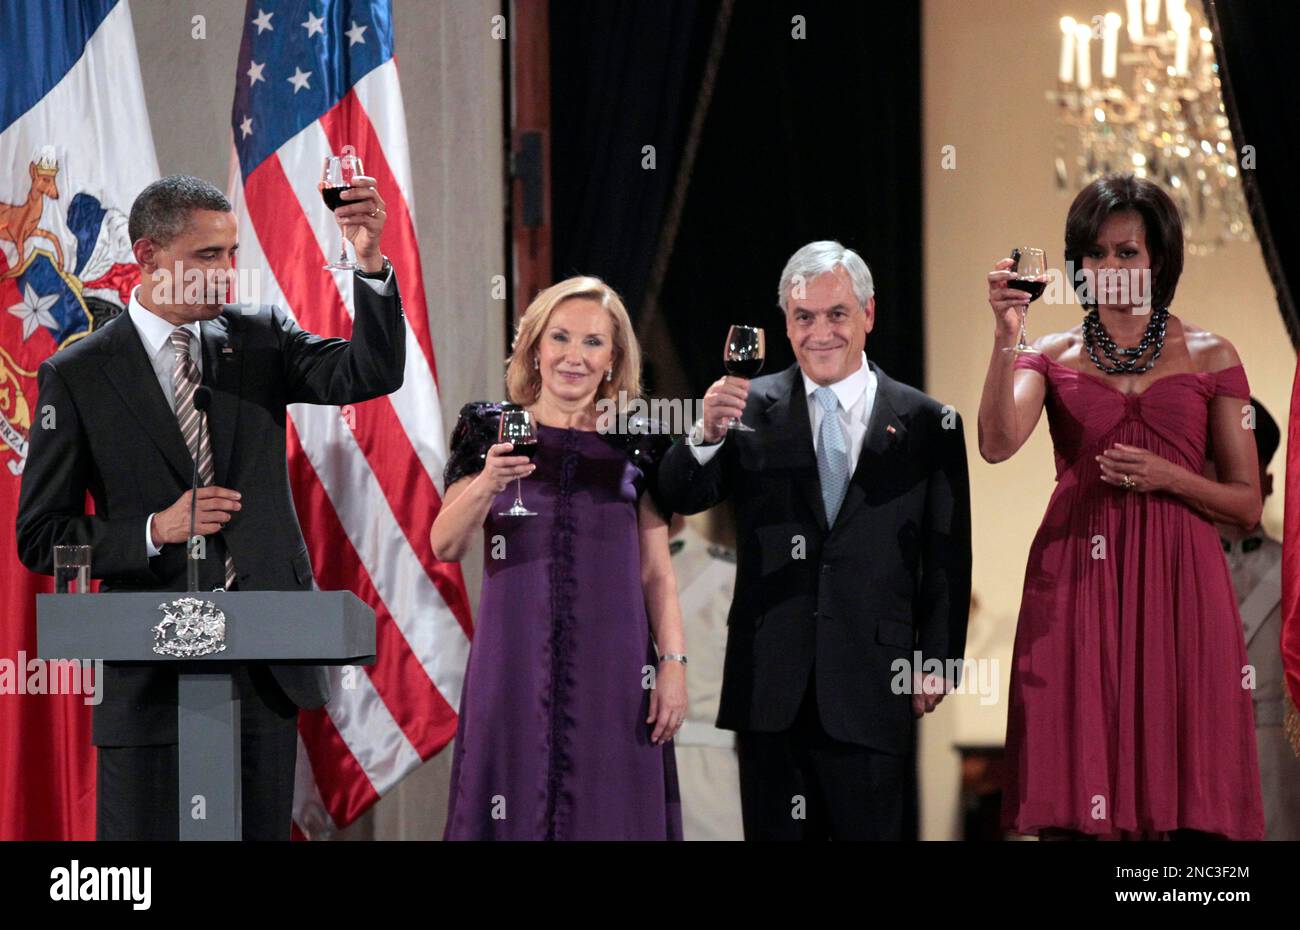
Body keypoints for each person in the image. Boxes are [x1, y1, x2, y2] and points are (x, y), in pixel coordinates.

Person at [15, 174, 405, 840]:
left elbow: (368, 373)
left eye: (231, 253)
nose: (228, 273)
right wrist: (152, 530)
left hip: (260, 672)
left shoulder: (260, 336)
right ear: (147, 256)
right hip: (146, 681)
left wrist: (368, 259)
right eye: (207, 256)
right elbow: (41, 534)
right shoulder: (76, 375)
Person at [655, 240, 972, 840]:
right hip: (771, 684)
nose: (820, 331)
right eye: (804, 317)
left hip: (876, 680)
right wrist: (704, 432)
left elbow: (949, 550)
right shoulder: (748, 408)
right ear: (785, 323)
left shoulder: (929, 421)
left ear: (869, 315)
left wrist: (938, 659)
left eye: (837, 314)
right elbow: (679, 494)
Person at [980, 172, 1264, 840]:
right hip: (1079, 579)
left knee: (1188, 788)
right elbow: (995, 444)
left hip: (1182, 584)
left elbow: (1248, 505)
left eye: (1126, 252)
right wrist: (1008, 332)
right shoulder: (1048, 356)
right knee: (1078, 779)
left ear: (1157, 260)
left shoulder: (1213, 355)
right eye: (1096, 254)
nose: (1110, 267)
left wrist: (1172, 476)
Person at [431, 275, 685, 840]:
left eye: (593, 342)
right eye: (560, 338)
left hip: (618, 668)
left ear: (614, 357)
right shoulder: (488, 427)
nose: (574, 356)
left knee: (610, 805)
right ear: (535, 347)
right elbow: (445, 544)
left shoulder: (637, 439)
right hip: (512, 656)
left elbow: (656, 571)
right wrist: (487, 482)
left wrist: (672, 665)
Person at [1205, 398, 1300, 839]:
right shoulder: (1172, 568)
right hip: (1195, 754)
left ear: (1268, 481)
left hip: (1277, 756)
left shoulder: (1294, 570)